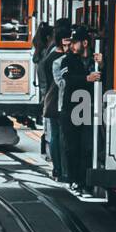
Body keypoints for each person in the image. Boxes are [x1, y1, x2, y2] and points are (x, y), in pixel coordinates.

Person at [54, 28, 101, 194]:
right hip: (71, 109)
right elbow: (68, 79)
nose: (71, 45)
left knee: (87, 147)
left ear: (85, 43)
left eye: (74, 42)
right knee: (72, 147)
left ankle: (85, 181)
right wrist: (87, 78)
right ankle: (75, 179)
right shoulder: (68, 60)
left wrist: (102, 64)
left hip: (89, 109)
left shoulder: (95, 59)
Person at [39, 22, 70, 179]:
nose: (69, 43)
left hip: (51, 100)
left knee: (55, 135)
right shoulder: (60, 59)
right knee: (59, 135)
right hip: (58, 100)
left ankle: (57, 169)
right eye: (67, 39)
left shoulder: (50, 55)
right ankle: (61, 169)